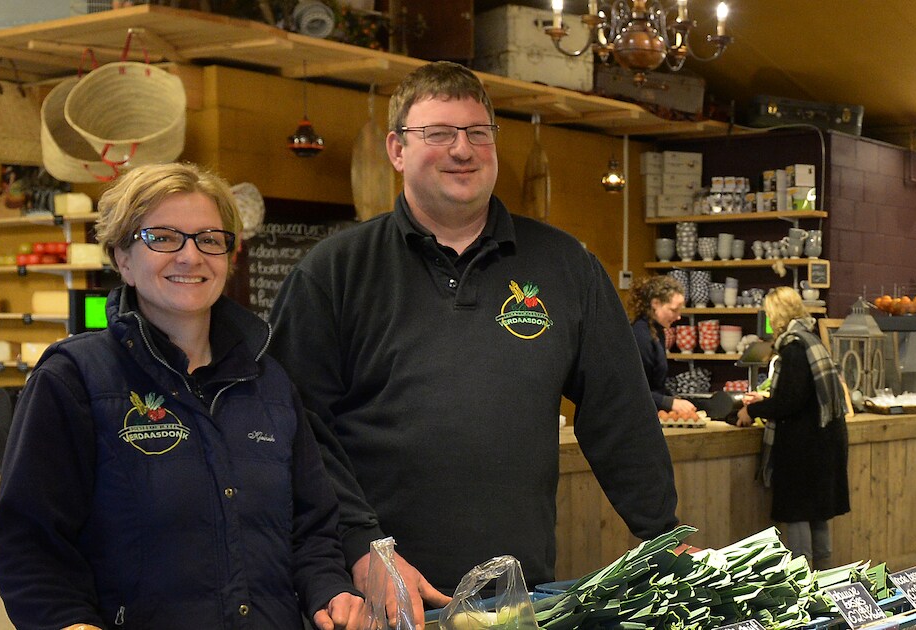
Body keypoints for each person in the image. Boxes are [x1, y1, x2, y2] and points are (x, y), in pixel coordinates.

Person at [268, 61, 680, 621]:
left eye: (478, 133)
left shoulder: (566, 267)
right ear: (397, 149)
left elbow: (621, 412)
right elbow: (296, 428)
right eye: (438, 133)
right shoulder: (334, 272)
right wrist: (360, 546)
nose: (462, 149)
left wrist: (663, 534)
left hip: (516, 599)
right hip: (375, 601)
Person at [0, 163, 367, 630]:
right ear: (123, 259)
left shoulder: (269, 382)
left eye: (210, 239)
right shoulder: (73, 379)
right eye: (164, 238)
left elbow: (312, 531)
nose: (191, 256)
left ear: (229, 256)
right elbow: (30, 546)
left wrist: (329, 590)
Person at [735, 286, 850, 569]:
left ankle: (803, 577)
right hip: (824, 441)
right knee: (818, 514)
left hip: (803, 448)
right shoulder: (812, 341)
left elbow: (788, 402)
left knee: (798, 512)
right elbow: (802, 395)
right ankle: (825, 577)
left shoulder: (794, 348)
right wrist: (766, 401)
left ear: (776, 315)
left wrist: (752, 409)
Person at [628, 275, 699, 416]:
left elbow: (655, 386)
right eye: (673, 310)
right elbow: (633, 389)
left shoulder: (656, 331)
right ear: (655, 303)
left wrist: (672, 400)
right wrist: (668, 402)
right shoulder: (640, 335)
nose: (678, 316)